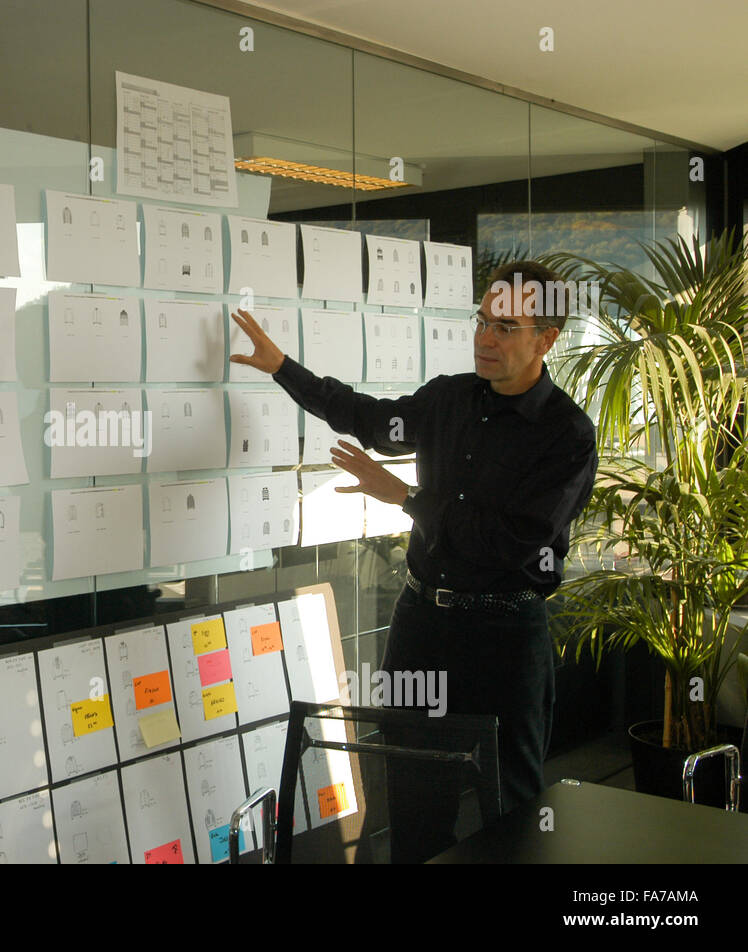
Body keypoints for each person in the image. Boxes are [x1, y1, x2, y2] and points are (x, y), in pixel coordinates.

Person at [230, 260, 598, 862]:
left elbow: (511, 542)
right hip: (425, 626)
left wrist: (403, 496)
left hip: (504, 639)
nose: (486, 338)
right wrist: (283, 369)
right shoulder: (450, 398)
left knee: (511, 815)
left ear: (546, 338)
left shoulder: (567, 434)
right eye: (482, 321)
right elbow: (373, 421)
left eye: (506, 327)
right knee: (413, 803)